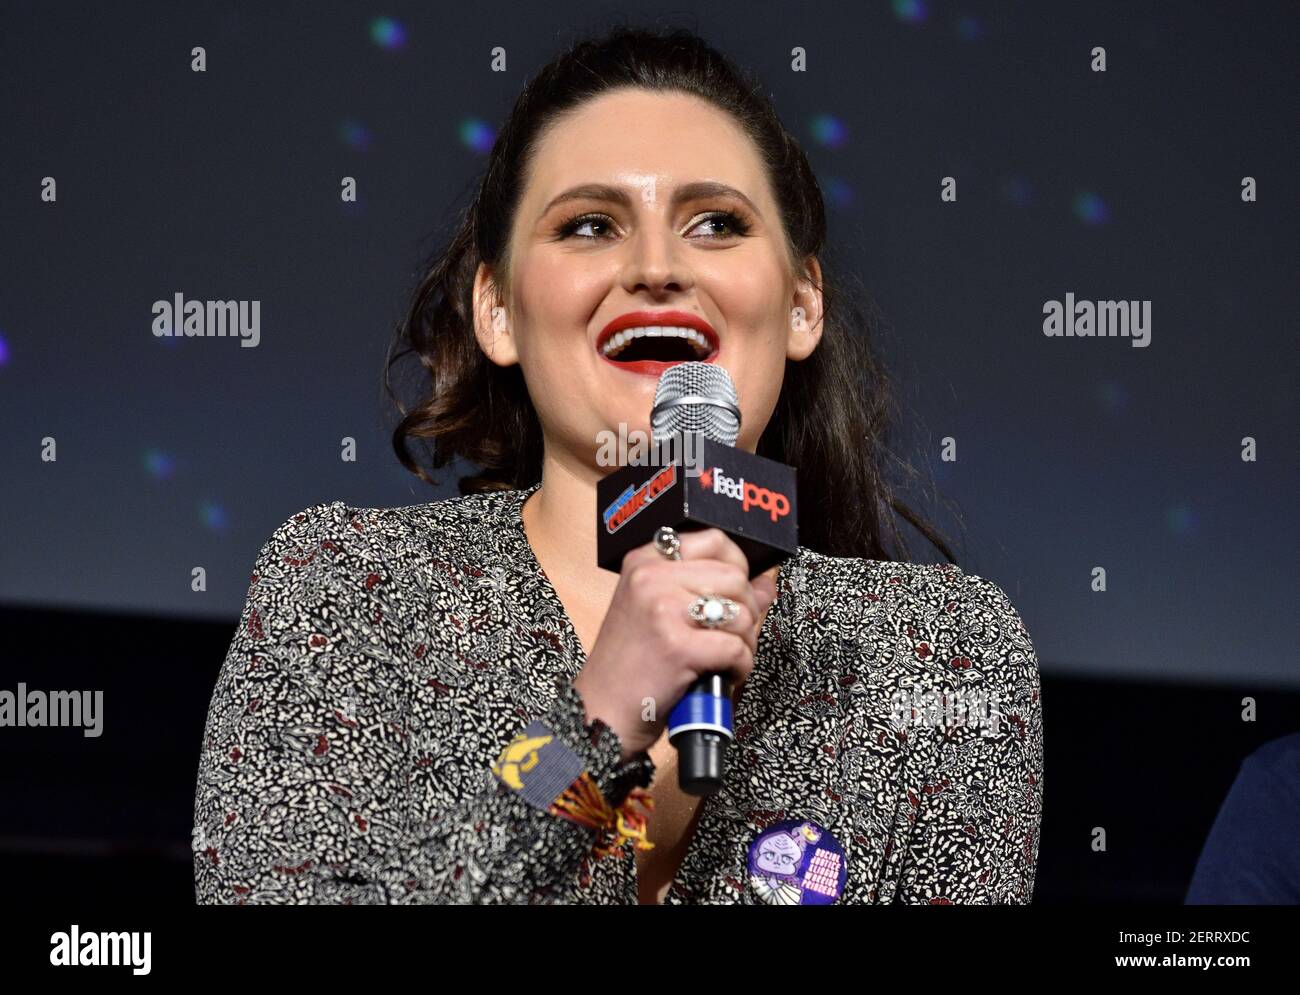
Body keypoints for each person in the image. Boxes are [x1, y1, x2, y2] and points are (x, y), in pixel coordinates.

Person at [192, 24, 1044, 905]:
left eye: (716, 223)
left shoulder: (938, 656)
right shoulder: (350, 593)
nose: (655, 267)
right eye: (590, 225)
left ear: (801, 303)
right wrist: (595, 724)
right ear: (498, 312)